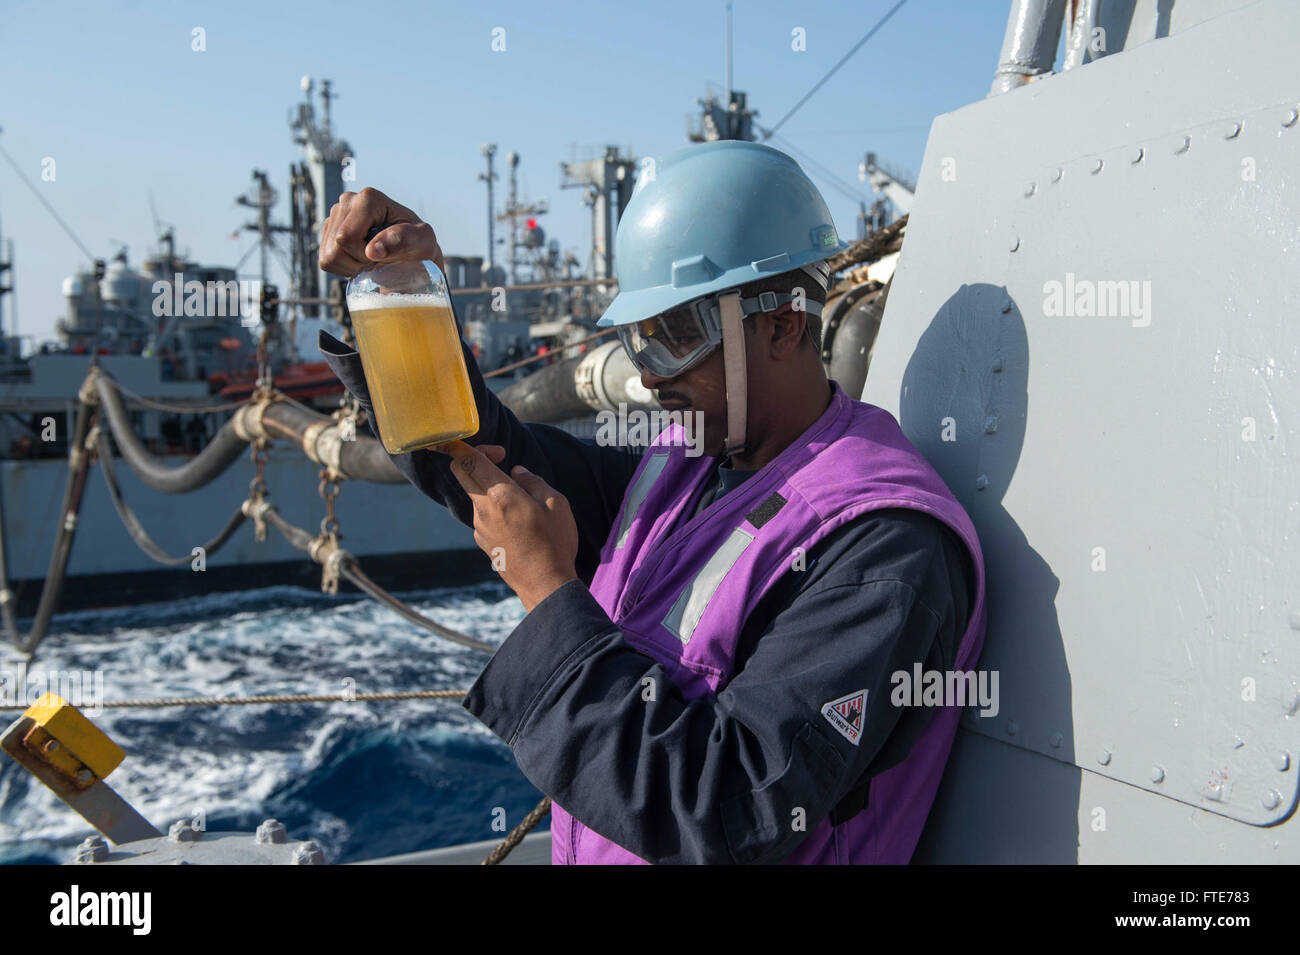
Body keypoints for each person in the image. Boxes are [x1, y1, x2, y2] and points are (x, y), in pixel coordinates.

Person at [317, 141, 986, 865]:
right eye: (636, 338)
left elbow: (726, 807)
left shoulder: (883, 550)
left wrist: (549, 593)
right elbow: (482, 455)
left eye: (674, 336)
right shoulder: (685, 468)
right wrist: (397, 298)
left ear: (783, 325)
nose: (647, 374)